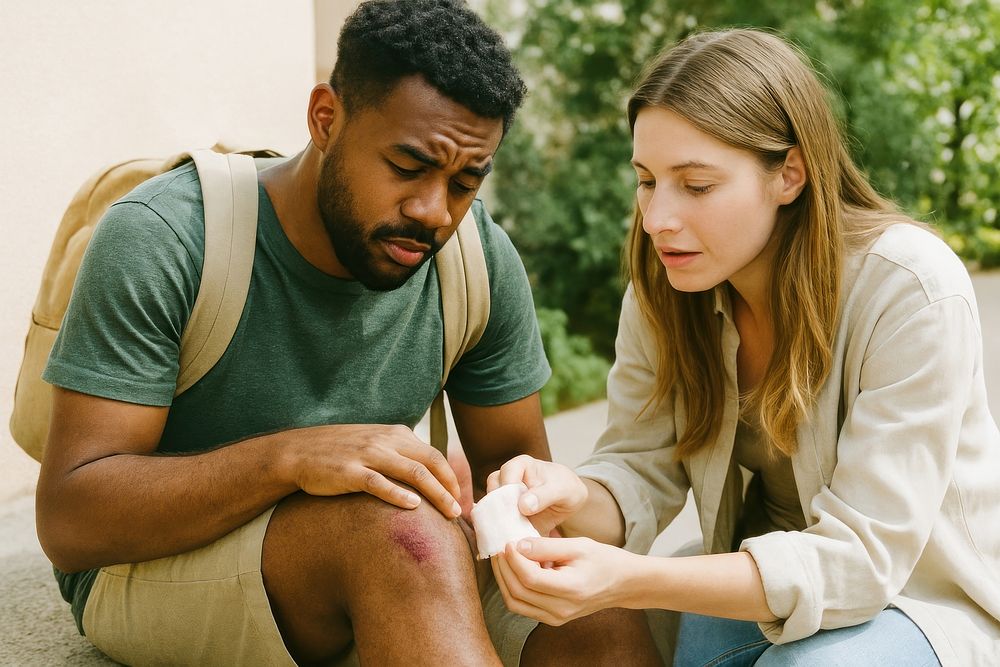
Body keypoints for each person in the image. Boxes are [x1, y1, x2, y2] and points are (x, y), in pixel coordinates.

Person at [34, 1, 660, 664]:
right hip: (150, 562)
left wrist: (523, 514)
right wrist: (290, 459)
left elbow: (517, 490)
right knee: (401, 531)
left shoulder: (475, 259)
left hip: (371, 552)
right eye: (408, 166)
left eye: (464, 182)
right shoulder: (168, 236)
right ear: (325, 118)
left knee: (590, 599)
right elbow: (72, 521)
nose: (432, 211)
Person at [488, 28, 1000, 667]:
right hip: (763, 580)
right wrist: (573, 494)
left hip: (921, 600)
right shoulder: (665, 289)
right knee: (563, 632)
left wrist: (628, 579)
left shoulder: (910, 288)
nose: (657, 219)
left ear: (789, 174)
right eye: (646, 181)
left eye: (696, 185)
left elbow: (861, 562)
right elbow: (640, 469)